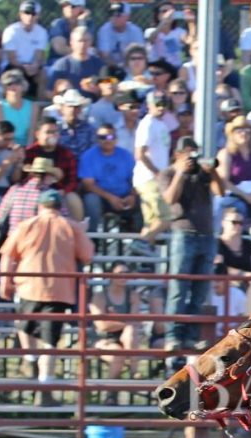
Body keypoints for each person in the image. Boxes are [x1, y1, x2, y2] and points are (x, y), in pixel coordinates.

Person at [0, 189, 95, 406]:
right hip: (58, 290)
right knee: (50, 341)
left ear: (40, 206)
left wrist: (6, 280)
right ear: (60, 207)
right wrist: (83, 232)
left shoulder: (26, 225)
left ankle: (31, 361)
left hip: (27, 286)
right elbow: (88, 256)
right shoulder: (71, 226)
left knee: (24, 327)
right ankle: (44, 389)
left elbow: (7, 254)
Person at [160, 136, 224, 351]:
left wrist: (211, 170)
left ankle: (191, 335)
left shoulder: (201, 174)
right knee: (179, 286)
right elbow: (170, 199)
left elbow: (221, 191)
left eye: (194, 152)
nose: (191, 156)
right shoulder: (168, 173)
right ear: (177, 154)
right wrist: (180, 172)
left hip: (206, 234)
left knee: (200, 288)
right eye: (187, 152)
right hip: (183, 234)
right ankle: (173, 336)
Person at [89, 262, 144, 402]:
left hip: (126, 339)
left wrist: (124, 325)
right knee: (117, 355)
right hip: (103, 339)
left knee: (131, 331)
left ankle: (133, 373)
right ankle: (111, 394)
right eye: (119, 273)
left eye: (126, 273)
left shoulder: (133, 295)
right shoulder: (100, 297)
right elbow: (101, 326)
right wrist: (126, 324)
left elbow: (135, 319)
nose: (123, 277)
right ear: (110, 276)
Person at [132, 90, 172, 251]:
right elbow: (139, 154)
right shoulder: (147, 124)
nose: (161, 107)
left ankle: (144, 255)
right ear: (149, 106)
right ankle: (141, 242)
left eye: (163, 104)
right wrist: (157, 173)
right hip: (149, 178)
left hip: (154, 178)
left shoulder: (162, 124)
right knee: (166, 217)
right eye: (157, 104)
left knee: (152, 221)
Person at [79, 122, 136, 232]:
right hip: (101, 197)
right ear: (97, 139)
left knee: (143, 198)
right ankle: (92, 238)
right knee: (91, 200)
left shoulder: (126, 155)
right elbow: (88, 185)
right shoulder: (88, 156)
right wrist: (110, 198)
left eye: (111, 136)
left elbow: (136, 179)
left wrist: (132, 195)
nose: (107, 140)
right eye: (102, 137)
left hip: (124, 196)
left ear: (116, 138)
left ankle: (139, 240)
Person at [0, 157, 66, 234]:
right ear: (48, 176)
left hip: (13, 238)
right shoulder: (51, 195)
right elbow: (64, 220)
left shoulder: (14, 190)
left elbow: (0, 214)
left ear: (31, 174)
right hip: (37, 240)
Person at [1, 1, 47, 97]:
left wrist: (34, 66)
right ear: (20, 14)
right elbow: (12, 58)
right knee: (15, 76)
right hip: (13, 66)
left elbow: (39, 56)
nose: (30, 16)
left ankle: (39, 106)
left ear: (38, 16)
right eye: (27, 13)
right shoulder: (11, 31)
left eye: (33, 14)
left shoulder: (42, 32)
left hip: (32, 67)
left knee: (43, 74)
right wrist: (24, 67)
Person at [48, 28, 104, 93]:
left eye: (86, 41)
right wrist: (62, 92)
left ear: (91, 42)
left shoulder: (98, 63)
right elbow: (49, 92)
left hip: (94, 102)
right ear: (71, 43)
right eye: (79, 41)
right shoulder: (62, 64)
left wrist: (97, 89)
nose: (83, 44)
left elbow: (107, 85)